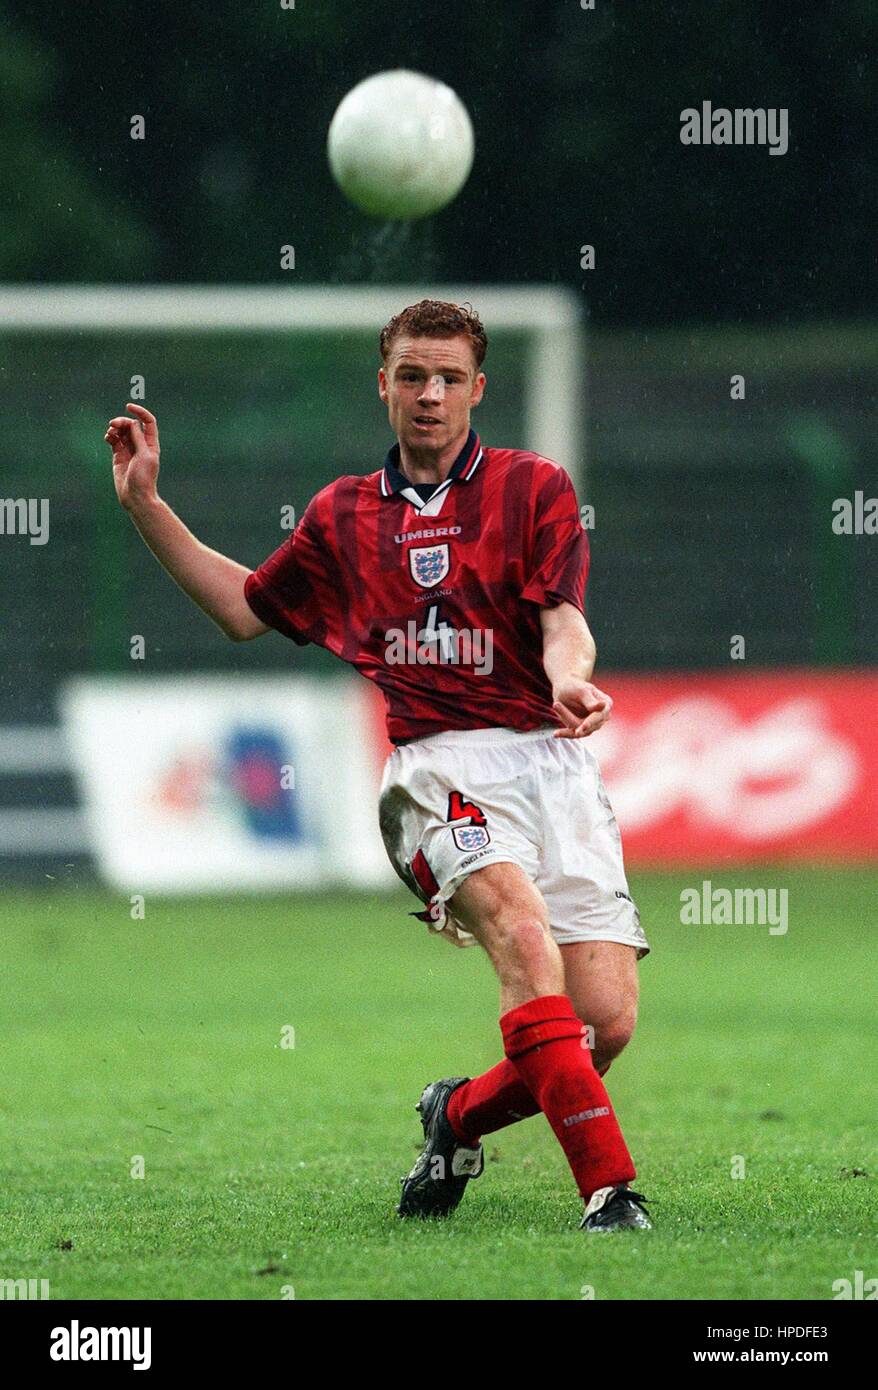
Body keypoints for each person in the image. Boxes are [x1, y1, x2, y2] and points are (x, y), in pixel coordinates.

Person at [105, 298, 651, 1232]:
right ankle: (610, 1190)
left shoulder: (535, 488)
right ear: (384, 386)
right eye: (411, 376)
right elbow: (243, 610)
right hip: (436, 771)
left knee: (601, 1026)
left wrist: (572, 680)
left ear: (479, 388)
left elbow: (564, 618)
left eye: (447, 379)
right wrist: (148, 507)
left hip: (549, 763)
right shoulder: (342, 514)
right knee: (522, 940)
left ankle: (455, 1119)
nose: (429, 395)